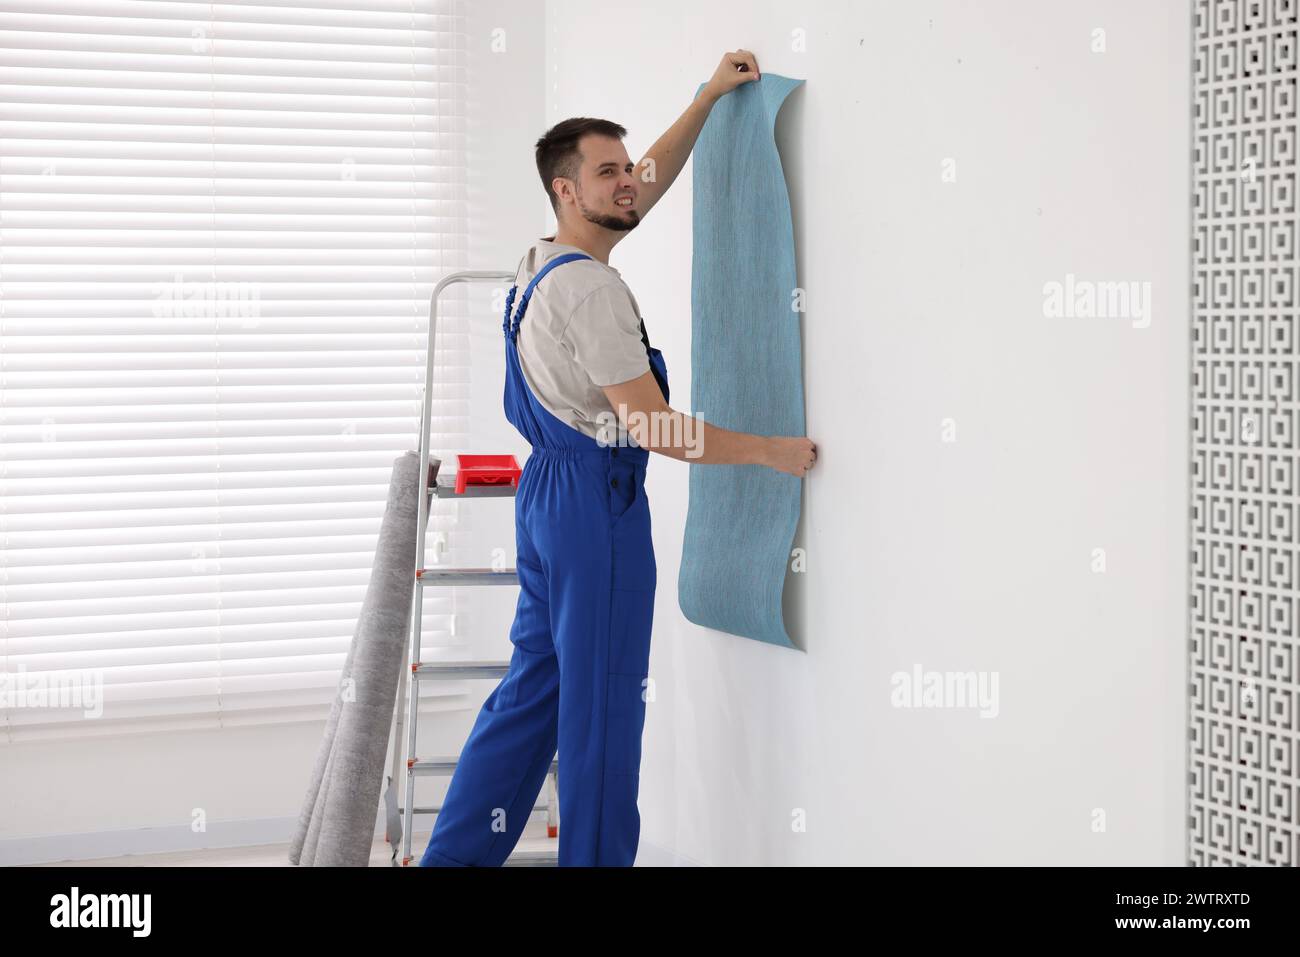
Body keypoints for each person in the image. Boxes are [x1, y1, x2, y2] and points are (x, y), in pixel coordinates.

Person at [419, 50, 818, 868]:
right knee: (602, 716)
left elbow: (648, 178)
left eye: (625, 170)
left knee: (532, 697)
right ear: (567, 189)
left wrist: (706, 98)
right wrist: (769, 450)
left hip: (548, 497)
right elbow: (656, 428)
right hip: (595, 506)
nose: (627, 183)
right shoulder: (593, 291)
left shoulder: (541, 263)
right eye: (607, 174)